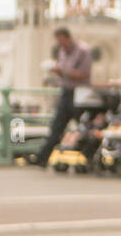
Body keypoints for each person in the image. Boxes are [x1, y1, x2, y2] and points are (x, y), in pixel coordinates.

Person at [30, 27, 92, 167]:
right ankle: (42, 157)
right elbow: (64, 73)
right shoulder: (63, 51)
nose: (60, 44)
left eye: (61, 40)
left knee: (84, 126)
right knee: (57, 126)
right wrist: (57, 71)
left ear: (67, 37)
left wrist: (63, 70)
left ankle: (90, 156)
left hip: (80, 94)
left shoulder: (83, 51)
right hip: (66, 92)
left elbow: (85, 75)